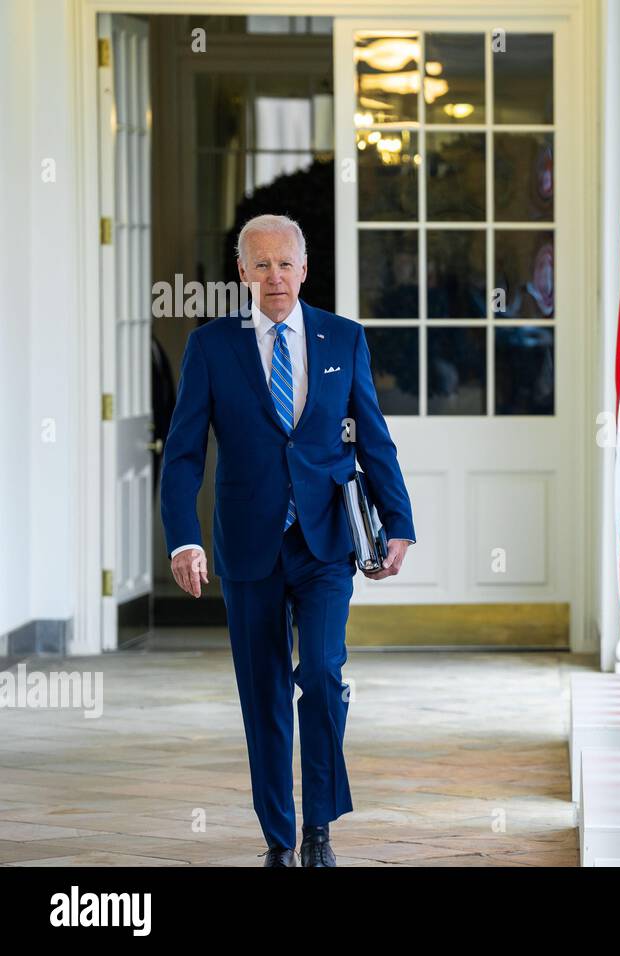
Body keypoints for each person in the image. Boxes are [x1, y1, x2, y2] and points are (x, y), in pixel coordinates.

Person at [160, 213, 416, 867]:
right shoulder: (212, 346)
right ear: (241, 272)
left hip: (326, 540)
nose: (275, 276)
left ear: (305, 269)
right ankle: (278, 837)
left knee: (324, 676)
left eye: (285, 263)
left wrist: (400, 522)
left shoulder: (343, 338)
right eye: (261, 264)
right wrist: (184, 539)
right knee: (264, 691)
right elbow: (184, 454)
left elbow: (375, 437)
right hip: (248, 545)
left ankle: (320, 829)